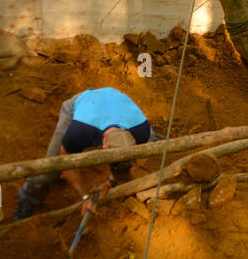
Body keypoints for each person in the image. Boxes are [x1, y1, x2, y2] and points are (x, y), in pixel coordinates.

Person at [12, 87, 158, 221]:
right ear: (104, 147)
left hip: (113, 104)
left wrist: (110, 182)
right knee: (51, 169)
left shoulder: (142, 132)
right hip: (84, 104)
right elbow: (66, 161)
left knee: (149, 141)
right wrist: (85, 197)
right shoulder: (80, 130)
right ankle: (27, 198)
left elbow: (132, 158)